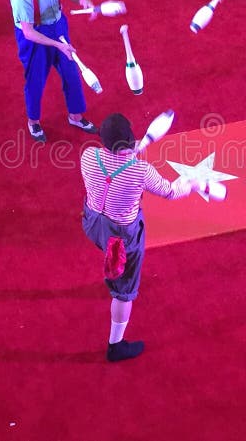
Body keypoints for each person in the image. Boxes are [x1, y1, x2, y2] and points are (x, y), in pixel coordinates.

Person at [80, 113, 199, 362]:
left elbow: (113, 170)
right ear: (130, 139)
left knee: (111, 259)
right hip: (121, 239)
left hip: (92, 224)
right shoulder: (141, 171)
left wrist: (125, 156)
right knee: (124, 290)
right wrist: (192, 182)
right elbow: (170, 191)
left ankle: (112, 273)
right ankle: (116, 345)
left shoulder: (88, 156)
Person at [10, 0, 99, 143]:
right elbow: (28, 32)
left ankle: (76, 116)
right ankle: (33, 122)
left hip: (58, 26)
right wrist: (59, 45)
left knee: (72, 72)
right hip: (35, 38)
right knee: (35, 81)